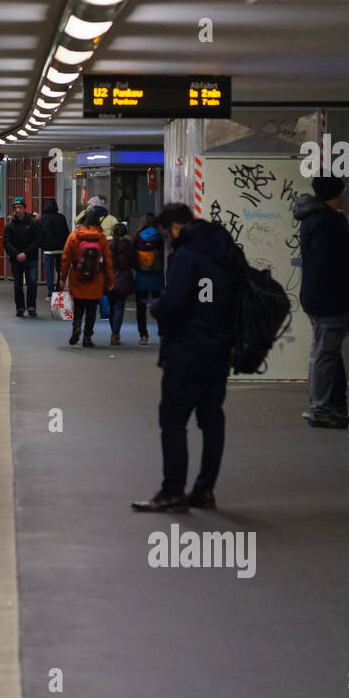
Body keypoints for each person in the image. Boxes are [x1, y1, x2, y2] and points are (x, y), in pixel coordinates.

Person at [131, 204, 237, 513]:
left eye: (166, 234)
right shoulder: (223, 252)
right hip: (219, 350)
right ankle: (204, 489)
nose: (167, 240)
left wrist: (157, 308)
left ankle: (173, 490)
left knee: (173, 420)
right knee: (211, 420)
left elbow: (176, 301)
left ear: (175, 228)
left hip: (188, 351)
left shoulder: (187, 255)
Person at [293, 175, 349, 428]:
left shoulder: (315, 219)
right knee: (325, 353)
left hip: (319, 297)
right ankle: (320, 409)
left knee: (328, 353)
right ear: (332, 195)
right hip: (329, 299)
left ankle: (334, 404)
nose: (344, 196)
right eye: (341, 192)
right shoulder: (327, 221)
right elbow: (330, 263)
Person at [60, 211, 113, 347]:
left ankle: (76, 326)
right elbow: (107, 260)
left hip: (77, 276)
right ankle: (87, 337)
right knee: (91, 309)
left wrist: (62, 278)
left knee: (78, 305)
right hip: (95, 278)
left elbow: (65, 259)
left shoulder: (74, 236)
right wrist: (110, 280)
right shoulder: (101, 237)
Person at [3, 196, 40, 317]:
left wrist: (26, 253)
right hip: (16, 259)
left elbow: (37, 240)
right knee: (17, 284)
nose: (17, 210)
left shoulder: (33, 223)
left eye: (20, 207)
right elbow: (6, 242)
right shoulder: (10, 225)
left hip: (30, 258)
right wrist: (16, 254)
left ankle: (31, 306)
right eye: (15, 208)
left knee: (32, 282)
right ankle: (20, 307)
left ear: (25, 208)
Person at [131, 212, 165, 345]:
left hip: (141, 277)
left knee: (141, 308)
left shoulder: (138, 237)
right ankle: (162, 334)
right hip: (157, 276)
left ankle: (143, 336)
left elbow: (132, 255)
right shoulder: (161, 236)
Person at [106, 222, 136, 345]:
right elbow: (134, 263)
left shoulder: (108, 246)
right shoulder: (129, 246)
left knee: (111, 308)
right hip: (124, 279)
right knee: (119, 308)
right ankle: (115, 334)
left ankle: (113, 330)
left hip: (109, 280)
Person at [37, 198, 70, 298]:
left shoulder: (42, 219)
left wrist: (42, 246)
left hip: (48, 250)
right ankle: (58, 290)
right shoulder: (61, 218)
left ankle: (50, 293)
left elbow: (39, 235)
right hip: (60, 249)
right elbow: (66, 233)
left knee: (49, 272)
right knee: (60, 271)